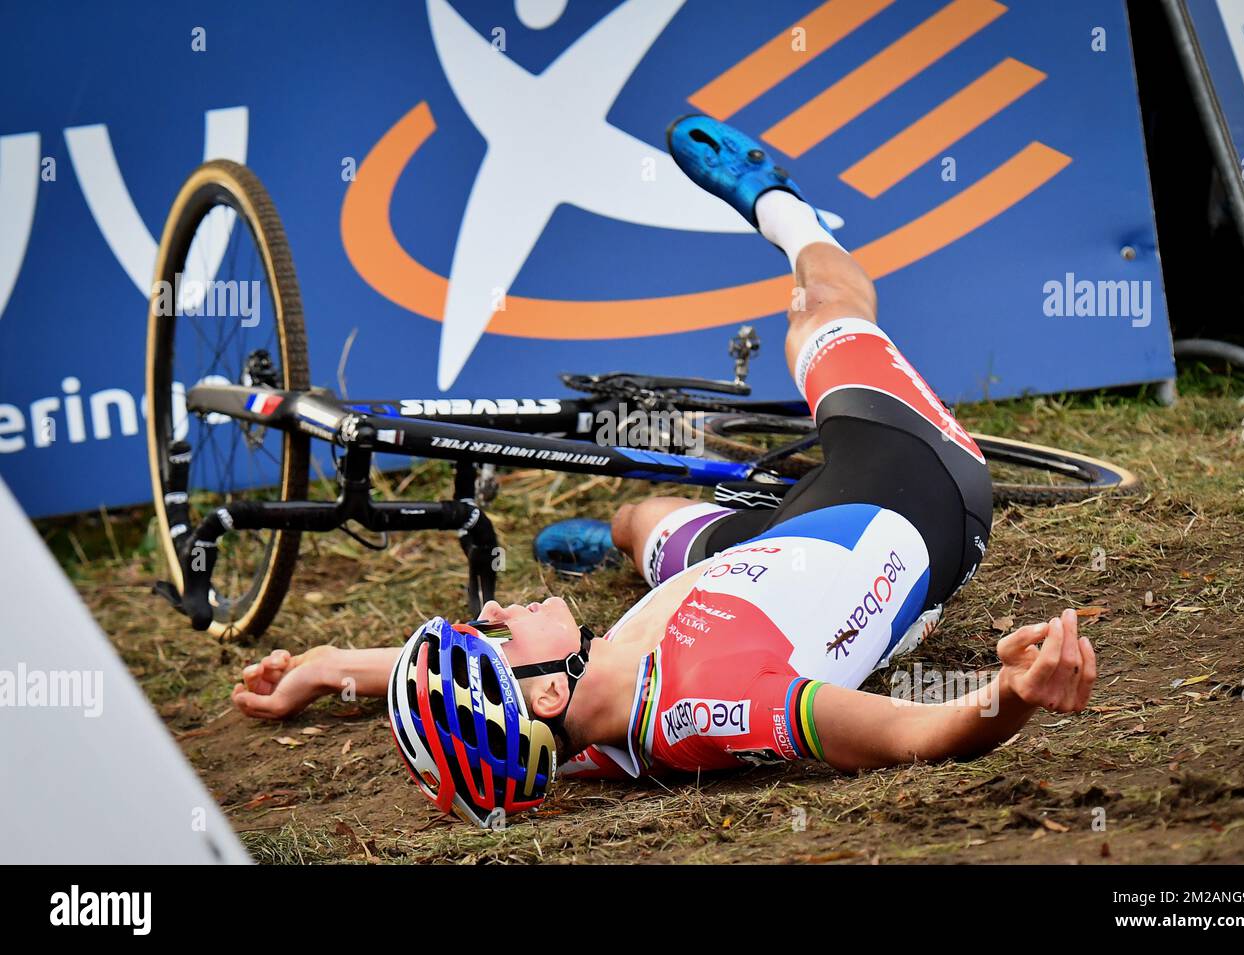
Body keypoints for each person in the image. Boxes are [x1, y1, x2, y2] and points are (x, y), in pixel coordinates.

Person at [231, 116, 1097, 827]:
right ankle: (779, 197)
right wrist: (1013, 694)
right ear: (537, 700)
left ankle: (620, 541)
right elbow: (912, 732)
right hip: (916, 490)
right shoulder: (713, 703)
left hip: (765, 552)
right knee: (818, 314)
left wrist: (327, 664)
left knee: (635, 520)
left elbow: (461, 681)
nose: (490, 610)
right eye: (497, 634)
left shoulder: (578, 715)